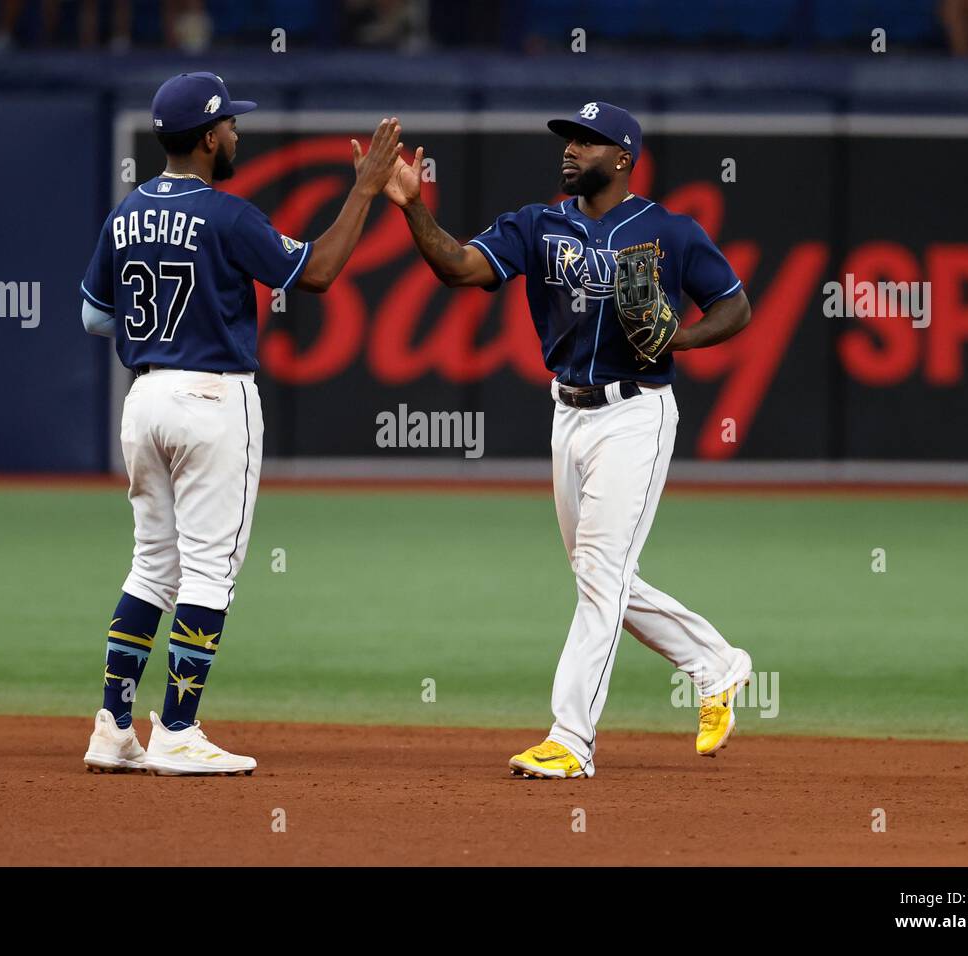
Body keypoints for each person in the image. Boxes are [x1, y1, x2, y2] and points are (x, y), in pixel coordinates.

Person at [384, 102, 754, 778]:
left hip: (636, 413)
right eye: (568, 140)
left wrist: (682, 338)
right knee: (604, 577)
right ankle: (717, 664)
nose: (571, 151)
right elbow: (460, 268)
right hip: (569, 414)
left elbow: (734, 306)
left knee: (598, 577)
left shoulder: (667, 232)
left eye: (587, 142)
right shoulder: (538, 224)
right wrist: (412, 208)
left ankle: (570, 739)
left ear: (622, 158)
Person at [79, 72, 402, 775]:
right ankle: (178, 730)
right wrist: (366, 190)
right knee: (208, 573)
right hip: (211, 400)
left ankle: (112, 725)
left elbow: (93, 315)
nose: (237, 133)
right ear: (205, 138)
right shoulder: (226, 215)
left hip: (145, 399)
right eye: (229, 125)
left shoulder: (125, 212)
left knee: (150, 568)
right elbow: (314, 274)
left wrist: (157, 330)